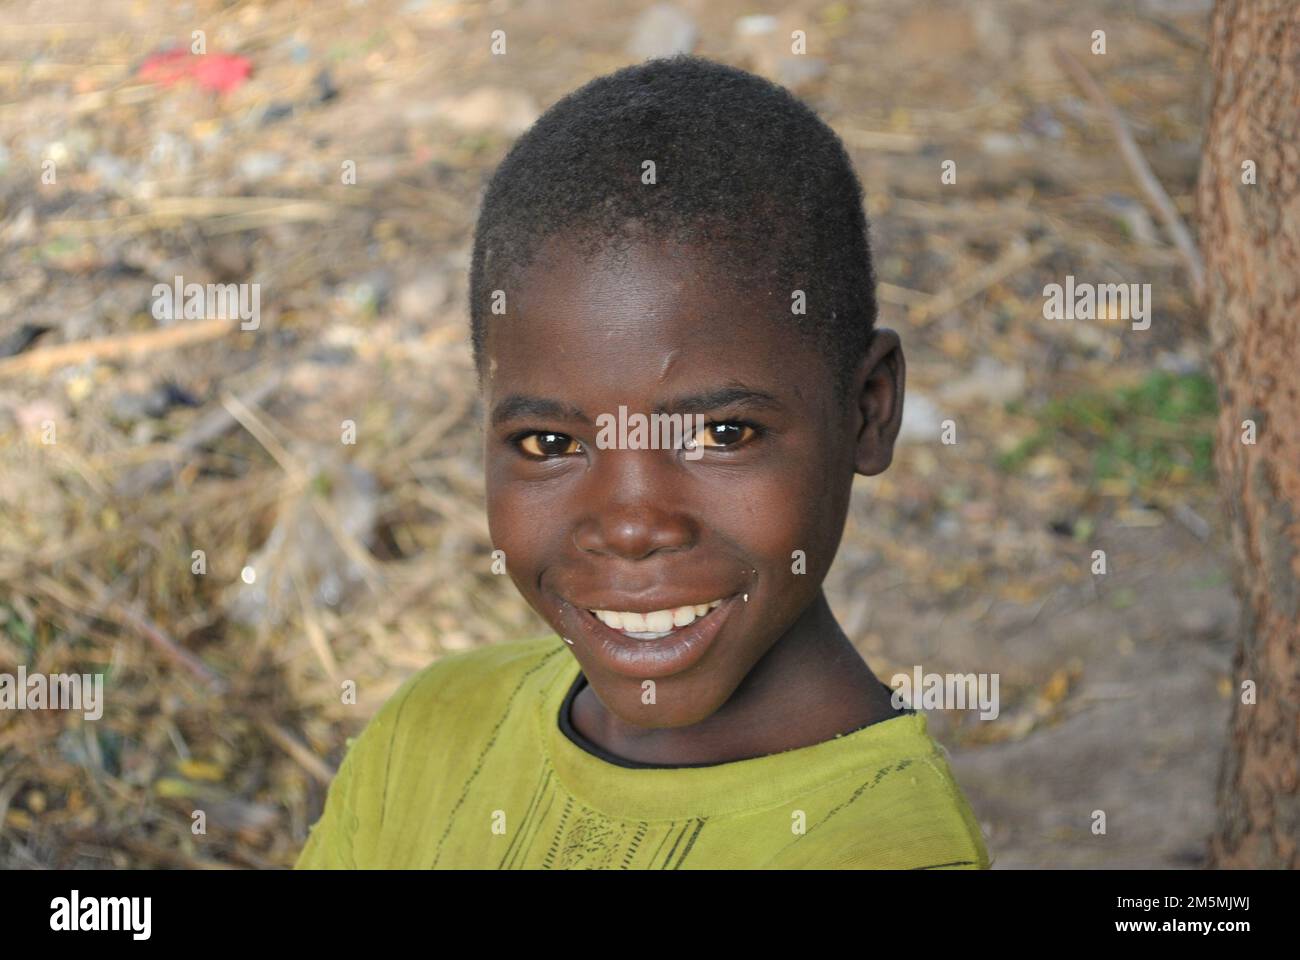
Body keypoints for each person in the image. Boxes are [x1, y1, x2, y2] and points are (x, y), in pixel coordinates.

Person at [296, 55, 990, 870]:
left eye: (721, 436)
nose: (631, 526)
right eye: (551, 445)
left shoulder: (882, 851)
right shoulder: (431, 729)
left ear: (868, 409)